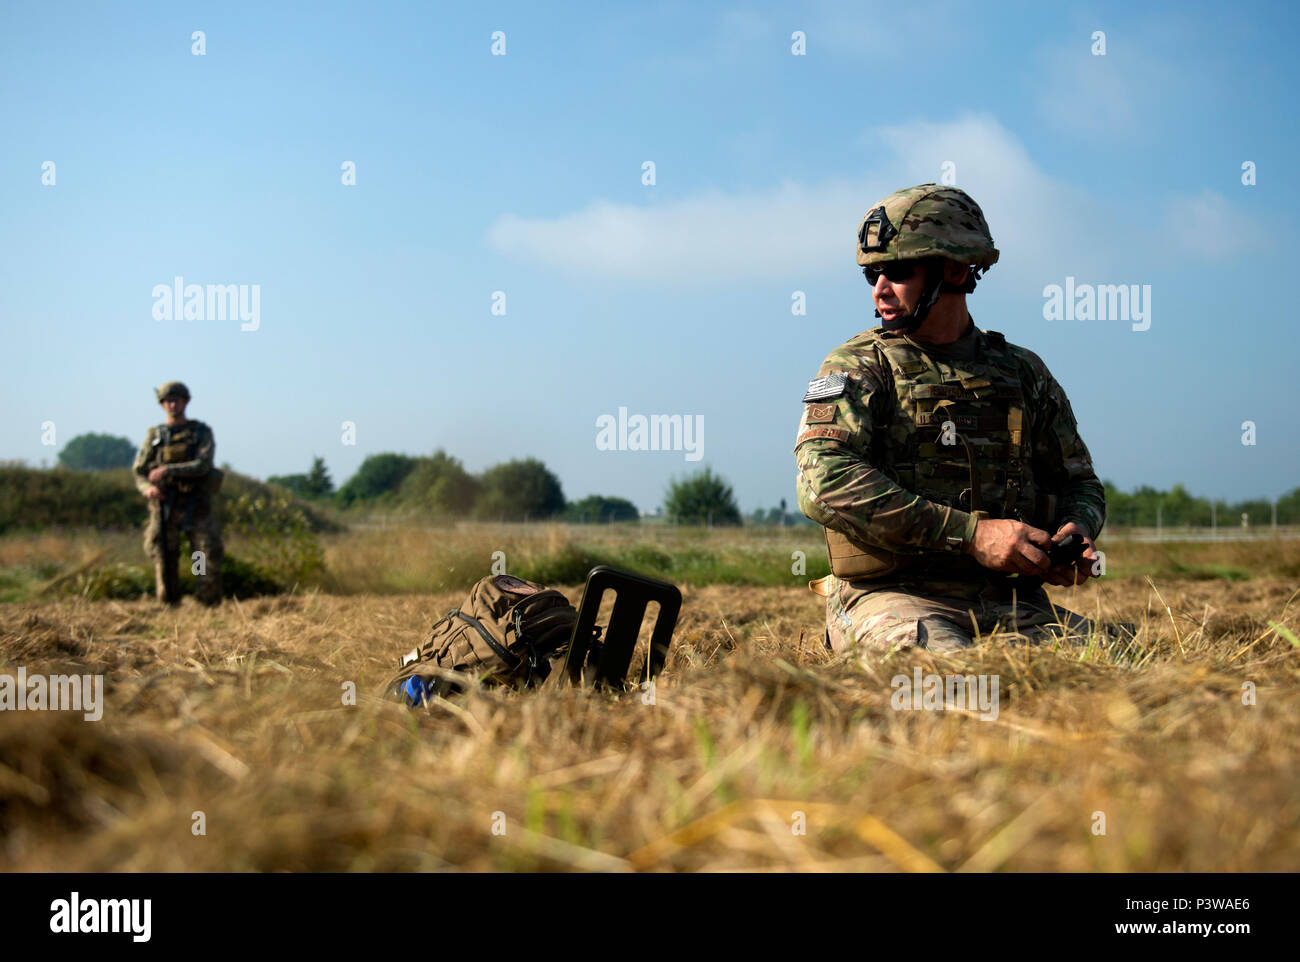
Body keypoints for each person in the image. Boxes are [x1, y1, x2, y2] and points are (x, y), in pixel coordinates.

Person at [795, 183, 1108, 654]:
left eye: (898, 271)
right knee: (945, 680)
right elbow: (823, 481)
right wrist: (972, 536)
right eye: (872, 274)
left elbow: (1080, 483)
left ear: (956, 270)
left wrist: (1075, 531)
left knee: (1126, 671)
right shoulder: (858, 366)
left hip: (1013, 602)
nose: (880, 289)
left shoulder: (1023, 372)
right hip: (893, 599)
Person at [132, 381, 224, 606]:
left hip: (195, 503)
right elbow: (139, 471)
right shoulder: (156, 436)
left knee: (201, 554)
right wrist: (148, 488)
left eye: (176, 400)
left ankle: (206, 603)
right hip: (165, 505)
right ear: (162, 404)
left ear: (186, 401)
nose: (172, 405)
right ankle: (169, 603)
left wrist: (167, 470)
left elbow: (203, 464)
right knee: (164, 555)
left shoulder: (200, 432)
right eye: (167, 401)